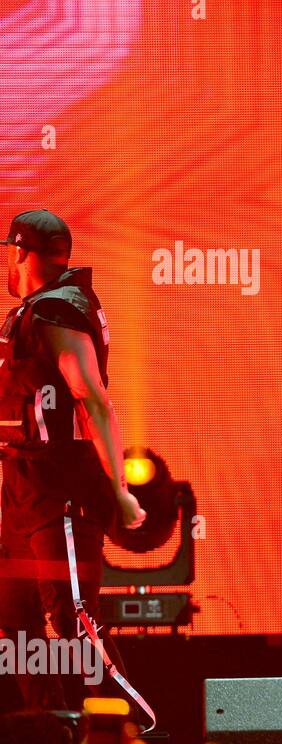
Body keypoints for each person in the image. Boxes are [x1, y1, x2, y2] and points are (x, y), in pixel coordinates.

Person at [0, 209, 146, 715]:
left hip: (58, 486)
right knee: (13, 620)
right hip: (22, 489)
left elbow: (94, 402)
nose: (9, 268)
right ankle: (47, 734)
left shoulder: (58, 311)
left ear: (23, 253)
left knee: (73, 618)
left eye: (11, 255)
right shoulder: (33, 311)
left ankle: (132, 732)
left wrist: (120, 490)